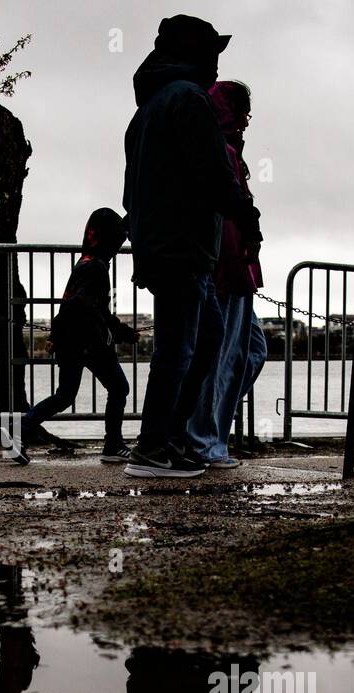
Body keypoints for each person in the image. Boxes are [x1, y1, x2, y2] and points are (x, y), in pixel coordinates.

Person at [121, 16, 260, 479]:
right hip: (183, 246)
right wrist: (245, 211)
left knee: (202, 342)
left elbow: (133, 191)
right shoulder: (189, 100)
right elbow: (212, 174)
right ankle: (153, 447)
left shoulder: (148, 110)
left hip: (167, 244)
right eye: (212, 53)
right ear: (195, 55)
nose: (216, 63)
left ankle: (171, 440)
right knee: (181, 349)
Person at [8, 208, 138, 465]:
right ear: (108, 240)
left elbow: (71, 305)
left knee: (65, 396)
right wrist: (117, 331)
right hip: (89, 342)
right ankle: (113, 445)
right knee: (119, 388)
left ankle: (22, 428)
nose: (119, 247)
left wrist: (58, 336)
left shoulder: (85, 262)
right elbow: (90, 307)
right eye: (118, 240)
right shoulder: (97, 268)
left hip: (71, 340)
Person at [182, 80, 266, 467]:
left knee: (250, 351)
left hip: (236, 266)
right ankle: (205, 440)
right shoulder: (221, 151)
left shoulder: (227, 149)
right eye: (243, 112)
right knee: (225, 356)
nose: (247, 120)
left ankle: (207, 429)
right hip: (228, 266)